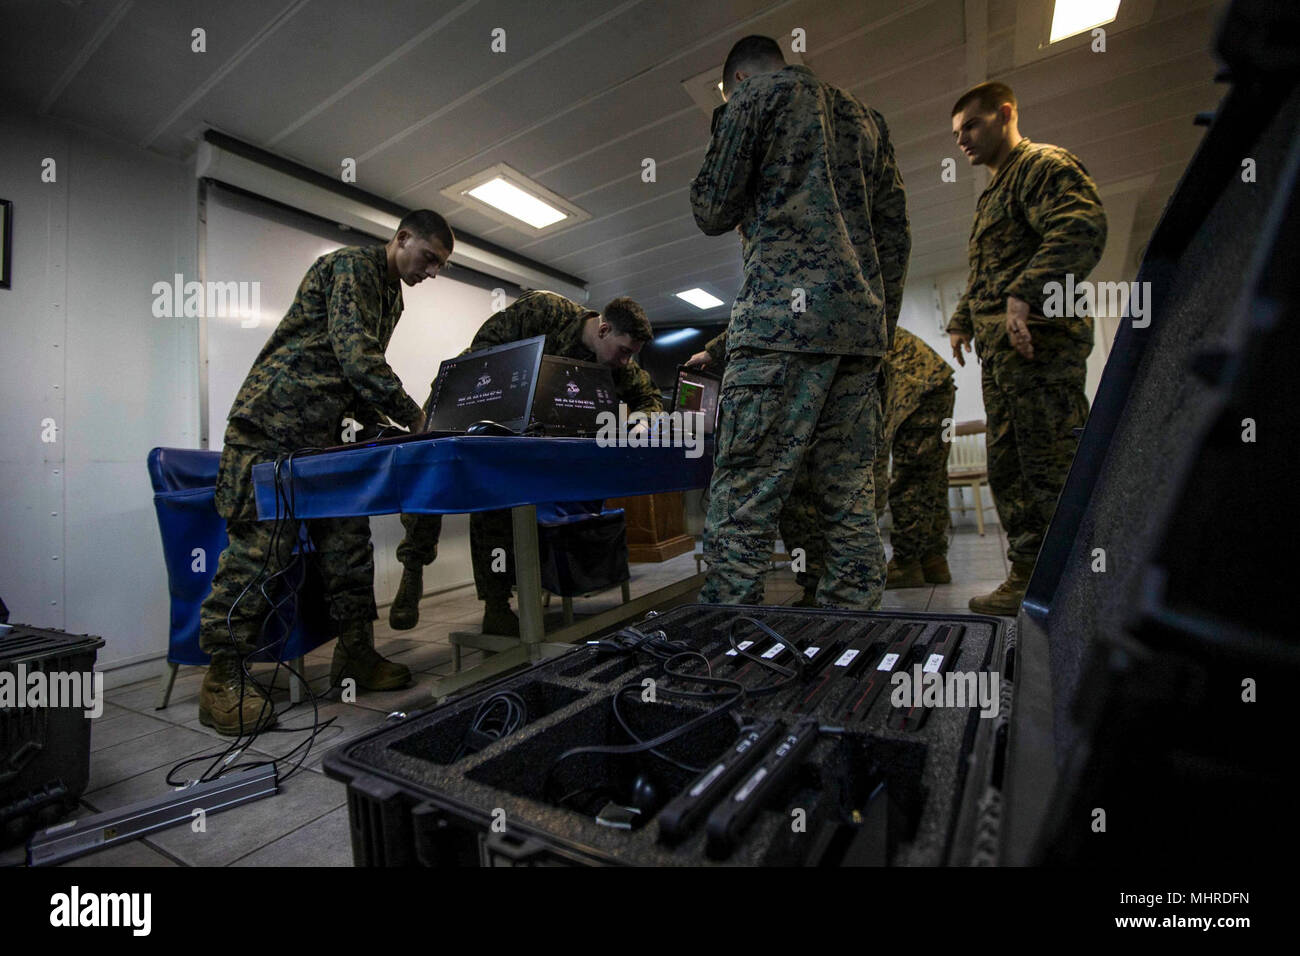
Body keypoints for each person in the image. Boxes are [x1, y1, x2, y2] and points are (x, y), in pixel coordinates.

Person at [197, 210, 452, 736]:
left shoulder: (392, 297)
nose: (431, 272)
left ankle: (356, 656)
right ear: (401, 238)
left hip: (324, 441)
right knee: (259, 554)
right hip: (270, 427)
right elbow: (356, 356)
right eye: (428, 258)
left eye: (440, 266)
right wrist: (414, 416)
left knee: (349, 548)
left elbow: (355, 375)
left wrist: (390, 425)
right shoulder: (353, 267)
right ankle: (222, 678)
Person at [690, 35, 910, 609]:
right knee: (849, 497)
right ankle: (854, 643)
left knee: (746, 496)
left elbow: (711, 207)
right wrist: (877, 329)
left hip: (780, 333)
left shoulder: (754, 98)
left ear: (737, 80)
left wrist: (729, 120)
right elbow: (894, 234)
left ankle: (719, 652)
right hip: (858, 340)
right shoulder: (869, 120)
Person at [390, 291, 660, 635]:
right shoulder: (545, 310)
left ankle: (497, 606)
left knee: (498, 501)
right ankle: (413, 562)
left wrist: (643, 420)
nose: (625, 362)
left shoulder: (613, 356)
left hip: (517, 431)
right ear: (604, 329)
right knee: (430, 472)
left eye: (631, 355)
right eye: (624, 352)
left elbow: (648, 396)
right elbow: (484, 350)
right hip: (472, 391)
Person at [947, 82, 1107, 615]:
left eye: (971, 125)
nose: (962, 140)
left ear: (1005, 113)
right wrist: (961, 322)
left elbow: (1081, 226)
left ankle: (1084, 580)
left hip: (1041, 350)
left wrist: (1025, 294)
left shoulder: (1041, 165)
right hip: (1004, 360)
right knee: (1012, 470)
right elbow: (985, 275)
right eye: (956, 132)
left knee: (1053, 467)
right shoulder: (992, 194)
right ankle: (1031, 576)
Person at [689, 326, 953, 602]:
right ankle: (932, 561)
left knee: (895, 481)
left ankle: (901, 566)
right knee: (923, 478)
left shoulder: (796, 335)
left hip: (903, 377)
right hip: (927, 378)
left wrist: (715, 348)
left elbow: (769, 313)